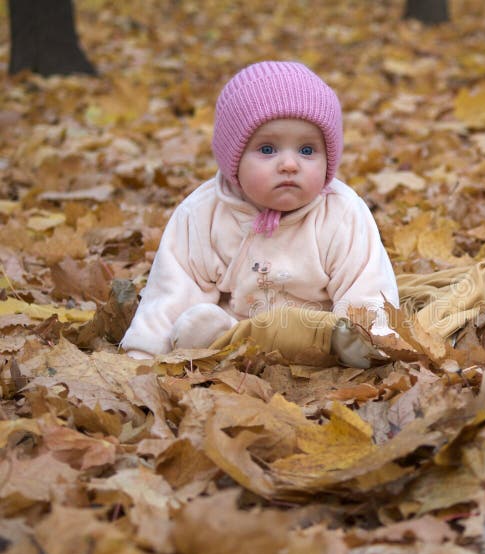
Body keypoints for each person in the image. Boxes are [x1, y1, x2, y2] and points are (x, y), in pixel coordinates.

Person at [121, 61, 399, 367]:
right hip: (239, 338)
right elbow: (174, 286)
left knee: (342, 330)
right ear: (233, 158)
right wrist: (144, 354)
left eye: (307, 151)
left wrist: (371, 334)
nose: (290, 164)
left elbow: (366, 281)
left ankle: (354, 344)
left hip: (318, 333)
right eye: (267, 149)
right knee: (203, 323)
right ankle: (205, 340)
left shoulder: (342, 212)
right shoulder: (203, 213)